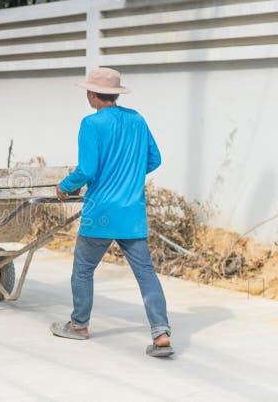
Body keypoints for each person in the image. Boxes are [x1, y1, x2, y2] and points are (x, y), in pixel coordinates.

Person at [49, 68, 172, 357]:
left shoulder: (91, 124)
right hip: (131, 213)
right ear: (116, 94)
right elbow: (155, 158)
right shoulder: (137, 120)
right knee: (145, 273)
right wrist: (128, 174)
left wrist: (64, 187)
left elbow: (87, 170)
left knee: (83, 269)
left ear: (92, 94)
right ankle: (161, 333)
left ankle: (79, 325)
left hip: (100, 212)